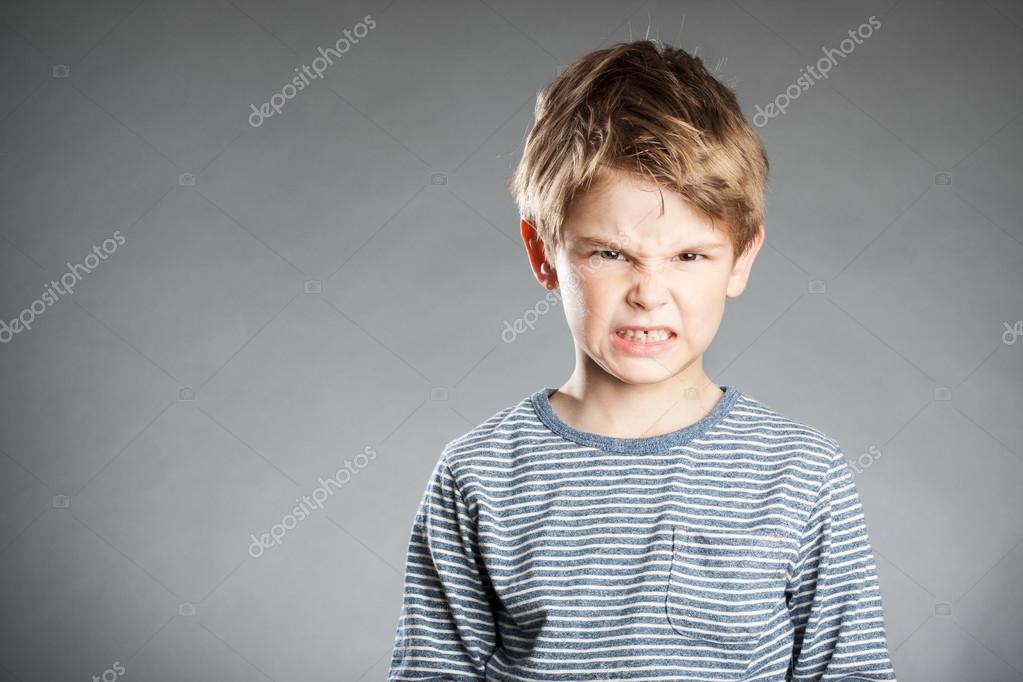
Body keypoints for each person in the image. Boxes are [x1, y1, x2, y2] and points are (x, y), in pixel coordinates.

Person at [388, 39, 897, 681]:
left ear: (741, 259)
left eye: (689, 256)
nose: (649, 293)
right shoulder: (479, 475)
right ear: (543, 253)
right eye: (609, 254)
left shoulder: (802, 474)